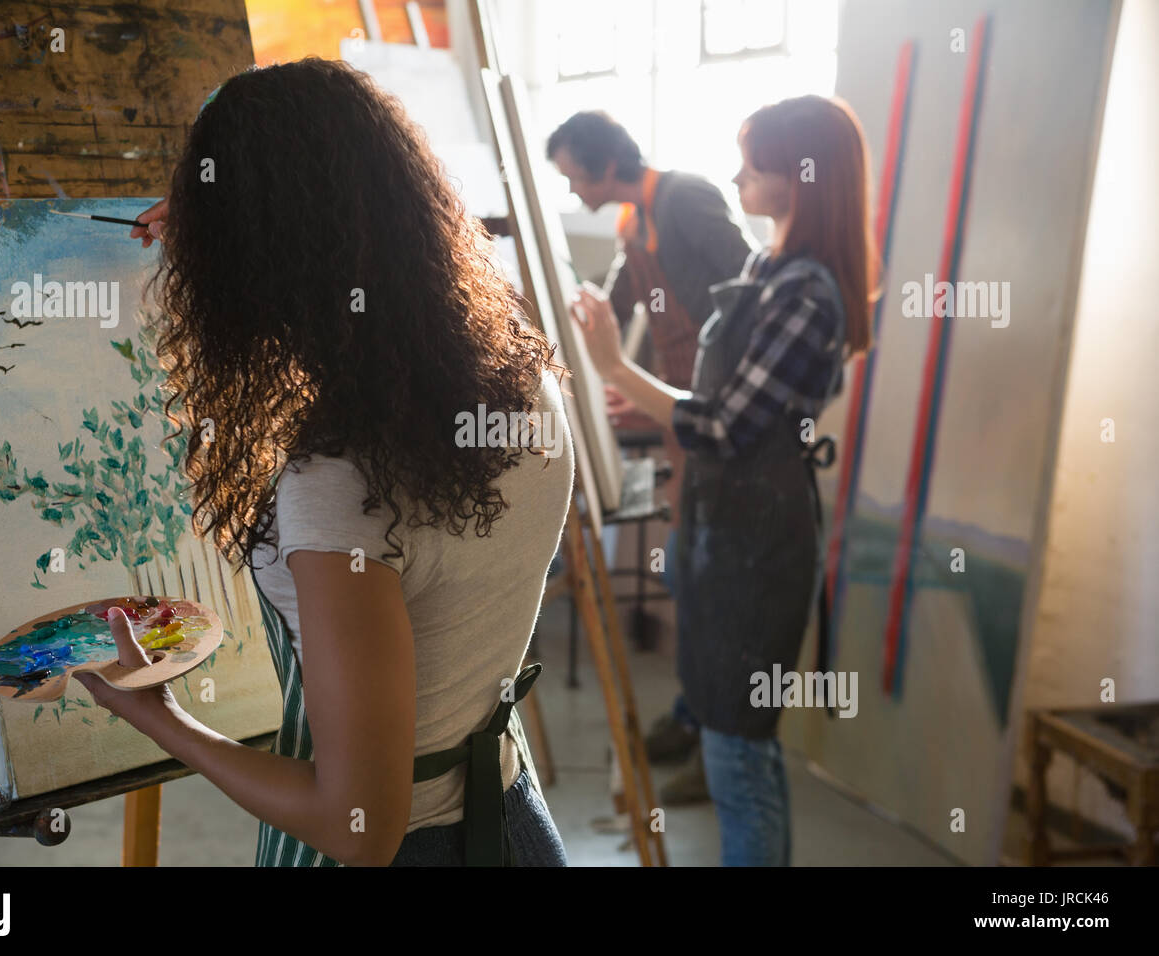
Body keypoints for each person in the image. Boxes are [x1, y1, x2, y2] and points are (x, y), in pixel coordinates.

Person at [77, 58, 574, 867]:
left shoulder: (336, 490)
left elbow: (360, 824)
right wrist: (231, 225)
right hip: (510, 820)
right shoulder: (522, 379)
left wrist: (164, 720)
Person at [570, 94, 878, 865]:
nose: (738, 173)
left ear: (803, 176)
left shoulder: (807, 291)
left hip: (759, 549)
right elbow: (717, 406)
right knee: (729, 745)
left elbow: (722, 424)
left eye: (755, 160)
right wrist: (631, 386)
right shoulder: (769, 267)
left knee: (741, 759)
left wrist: (618, 370)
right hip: (725, 531)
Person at [547, 111, 753, 804]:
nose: (575, 192)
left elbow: (748, 297)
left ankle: (724, 748)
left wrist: (689, 401)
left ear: (606, 165)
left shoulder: (686, 197)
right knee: (690, 578)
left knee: (718, 589)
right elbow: (610, 307)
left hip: (721, 423)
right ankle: (693, 717)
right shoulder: (634, 224)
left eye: (576, 176)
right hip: (683, 419)